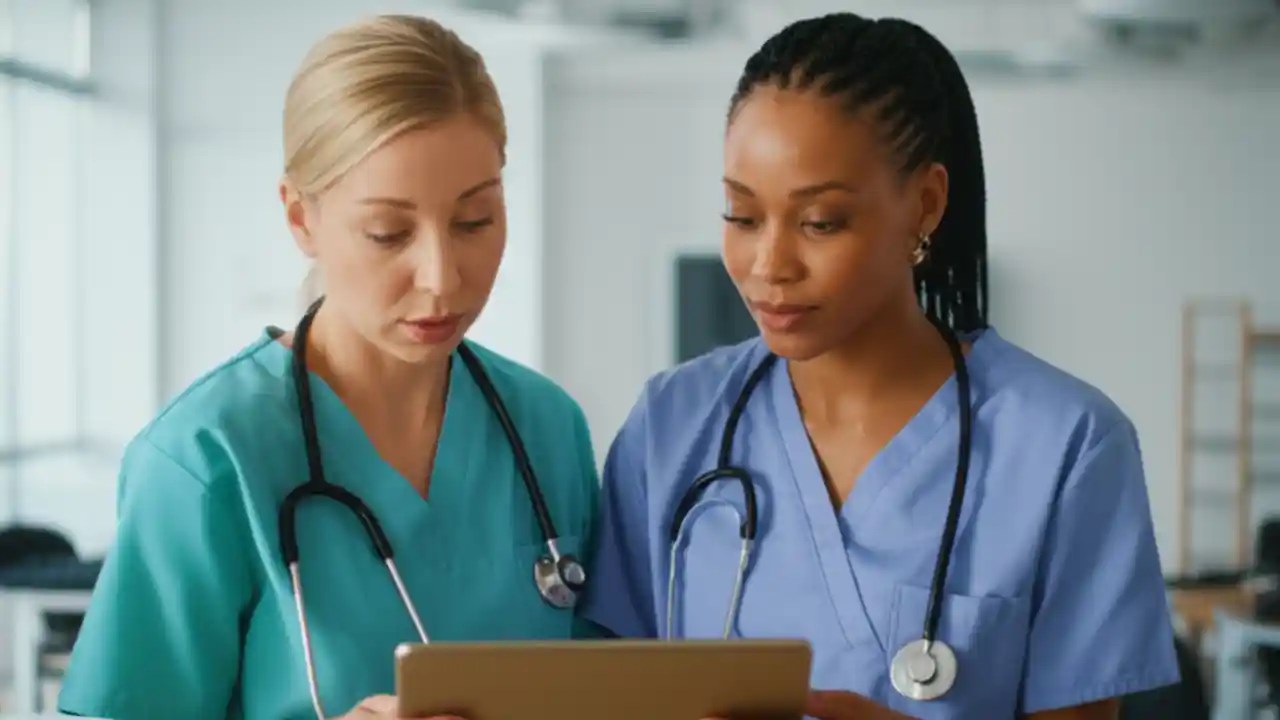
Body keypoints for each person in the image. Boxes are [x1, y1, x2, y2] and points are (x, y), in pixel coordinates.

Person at [581, 12, 1180, 720]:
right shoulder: (672, 427)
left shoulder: (1067, 445)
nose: (769, 266)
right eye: (742, 217)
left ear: (924, 205)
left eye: (821, 222)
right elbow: (608, 696)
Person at [57, 14, 599, 720]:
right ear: (300, 219)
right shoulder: (204, 461)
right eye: (388, 233)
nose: (441, 277)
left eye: (474, 222)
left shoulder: (545, 427)